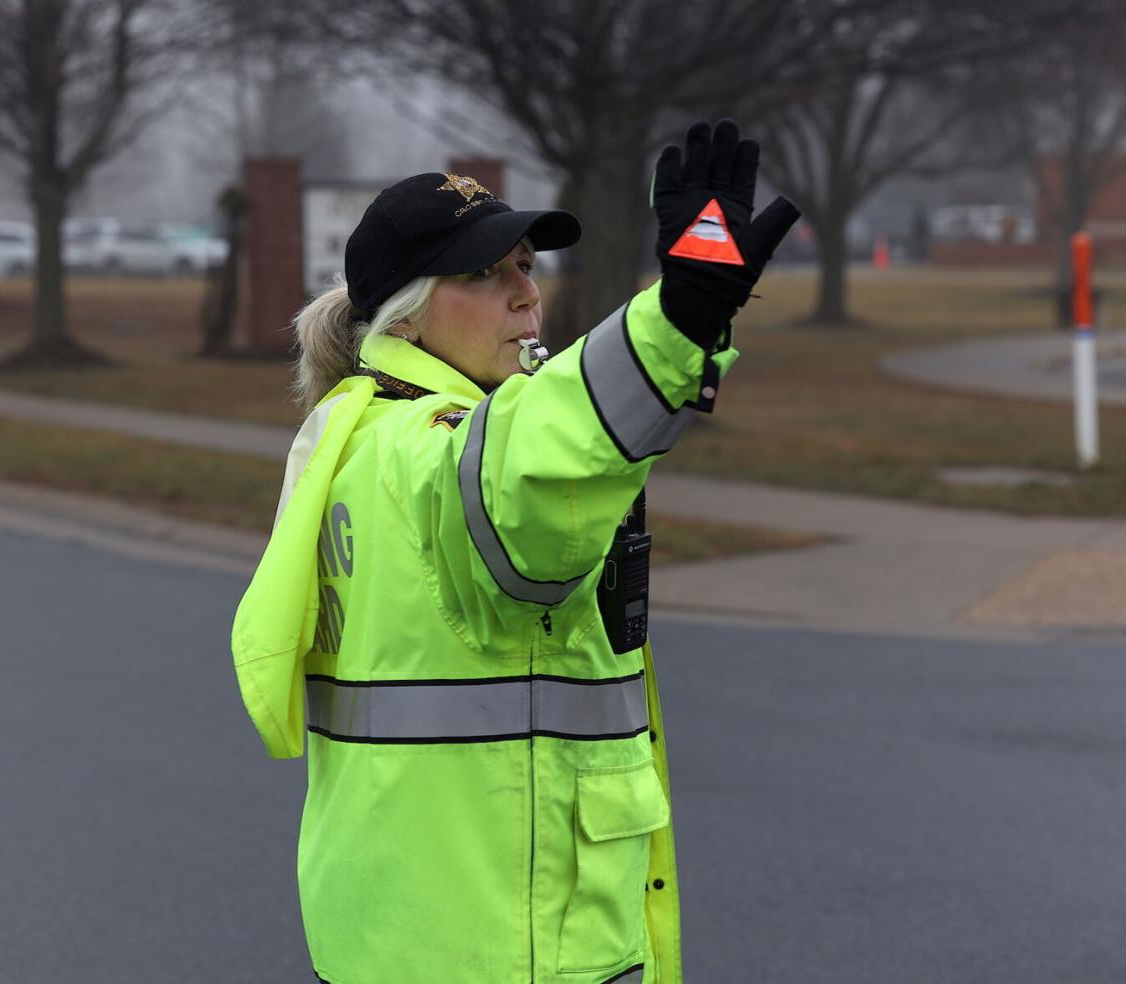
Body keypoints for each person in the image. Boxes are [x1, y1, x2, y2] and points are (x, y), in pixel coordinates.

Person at [232, 119, 799, 984]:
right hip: (502, 947)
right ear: (405, 319)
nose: (526, 294)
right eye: (481, 273)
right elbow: (533, 463)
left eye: (526, 266)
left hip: (399, 934)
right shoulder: (427, 451)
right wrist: (678, 318)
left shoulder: (358, 434)